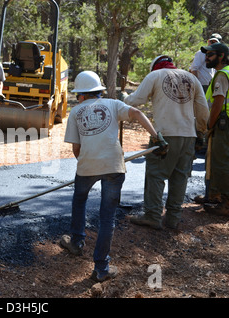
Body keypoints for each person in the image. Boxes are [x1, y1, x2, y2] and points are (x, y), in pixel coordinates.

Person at [61, 71, 166, 282]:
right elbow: (136, 112)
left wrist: (87, 163)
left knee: (79, 199)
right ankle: (101, 268)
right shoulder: (113, 104)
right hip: (114, 167)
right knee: (107, 217)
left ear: (81, 95)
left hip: (87, 166)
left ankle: (76, 242)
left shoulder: (75, 112)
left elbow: (76, 149)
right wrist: (157, 138)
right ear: (98, 91)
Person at [124, 55, 209, 229]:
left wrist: (124, 98)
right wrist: (200, 132)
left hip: (164, 136)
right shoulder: (191, 78)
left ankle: (153, 216)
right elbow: (202, 109)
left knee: (156, 175)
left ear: (154, 66)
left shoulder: (155, 76)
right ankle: (173, 219)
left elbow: (136, 100)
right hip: (188, 136)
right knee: (180, 177)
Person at [201, 42, 229, 216]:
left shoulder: (221, 75)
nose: (207, 57)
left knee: (222, 163)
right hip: (227, 123)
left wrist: (209, 126)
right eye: (206, 54)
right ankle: (216, 196)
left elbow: (217, 104)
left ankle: (226, 204)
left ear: (221, 56)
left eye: (211, 54)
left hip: (223, 124)